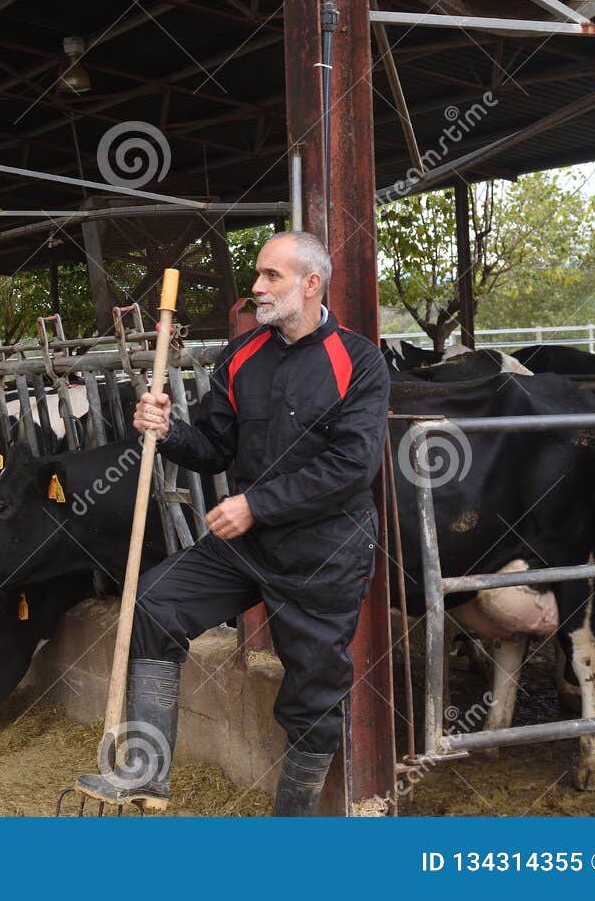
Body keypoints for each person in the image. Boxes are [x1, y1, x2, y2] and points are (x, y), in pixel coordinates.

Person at [76, 230, 390, 815]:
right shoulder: (242, 355)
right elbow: (215, 447)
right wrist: (168, 431)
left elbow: (352, 467)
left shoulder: (360, 361)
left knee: (313, 696)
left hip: (324, 551)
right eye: (258, 274)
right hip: (248, 542)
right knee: (154, 605)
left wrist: (257, 504)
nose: (257, 286)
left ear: (311, 284)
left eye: (272, 275)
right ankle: (148, 773)